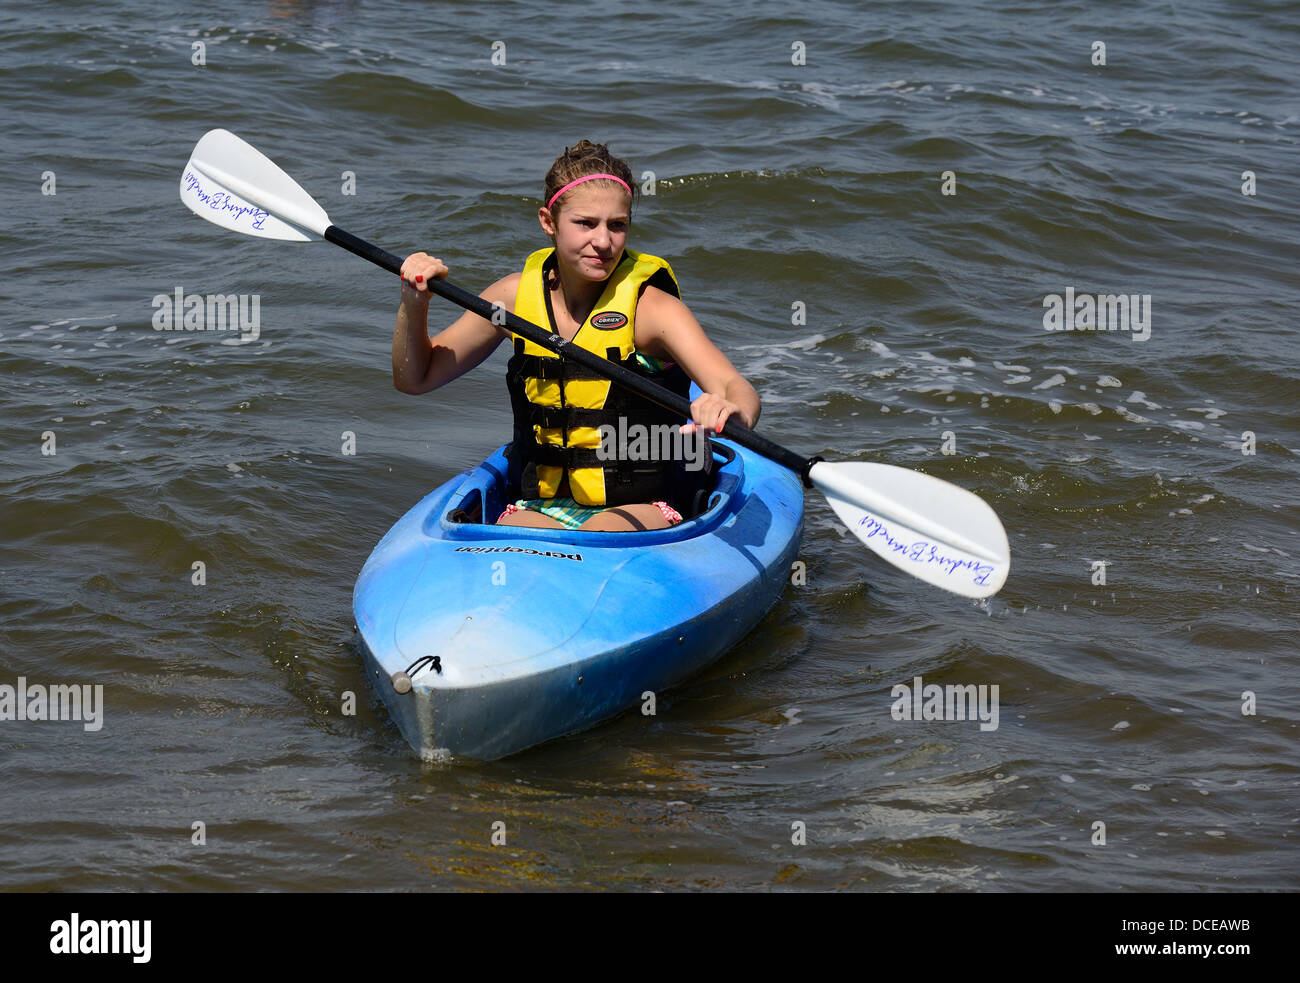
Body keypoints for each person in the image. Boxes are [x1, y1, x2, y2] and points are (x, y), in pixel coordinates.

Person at [393, 140, 760, 532]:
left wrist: (729, 409)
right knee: (522, 537)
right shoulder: (512, 300)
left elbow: (737, 389)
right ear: (549, 222)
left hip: (643, 501)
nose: (603, 241)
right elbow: (416, 378)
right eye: (586, 223)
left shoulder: (652, 311)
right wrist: (415, 304)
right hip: (544, 501)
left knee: (597, 534)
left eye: (617, 225)